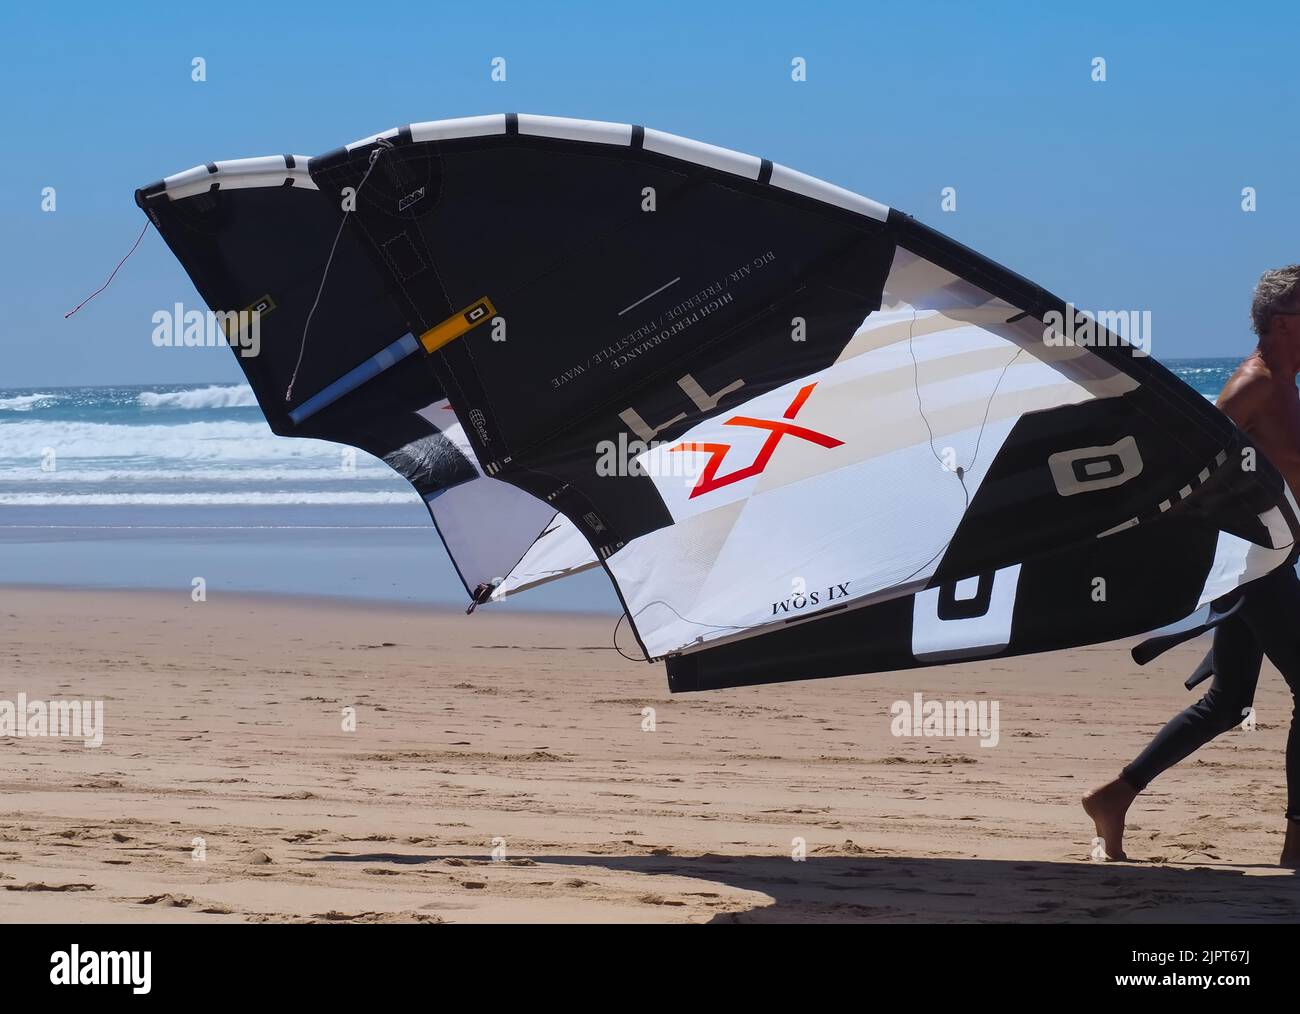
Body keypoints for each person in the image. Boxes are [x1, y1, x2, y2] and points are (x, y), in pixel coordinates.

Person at [1083, 265, 1300, 867]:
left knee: (1229, 701)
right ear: (1285, 322)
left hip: (1268, 562)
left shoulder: (1286, 385)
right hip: (1255, 566)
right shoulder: (1253, 386)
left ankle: (1113, 796)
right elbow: (1187, 471)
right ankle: (1296, 847)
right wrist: (1209, 575)